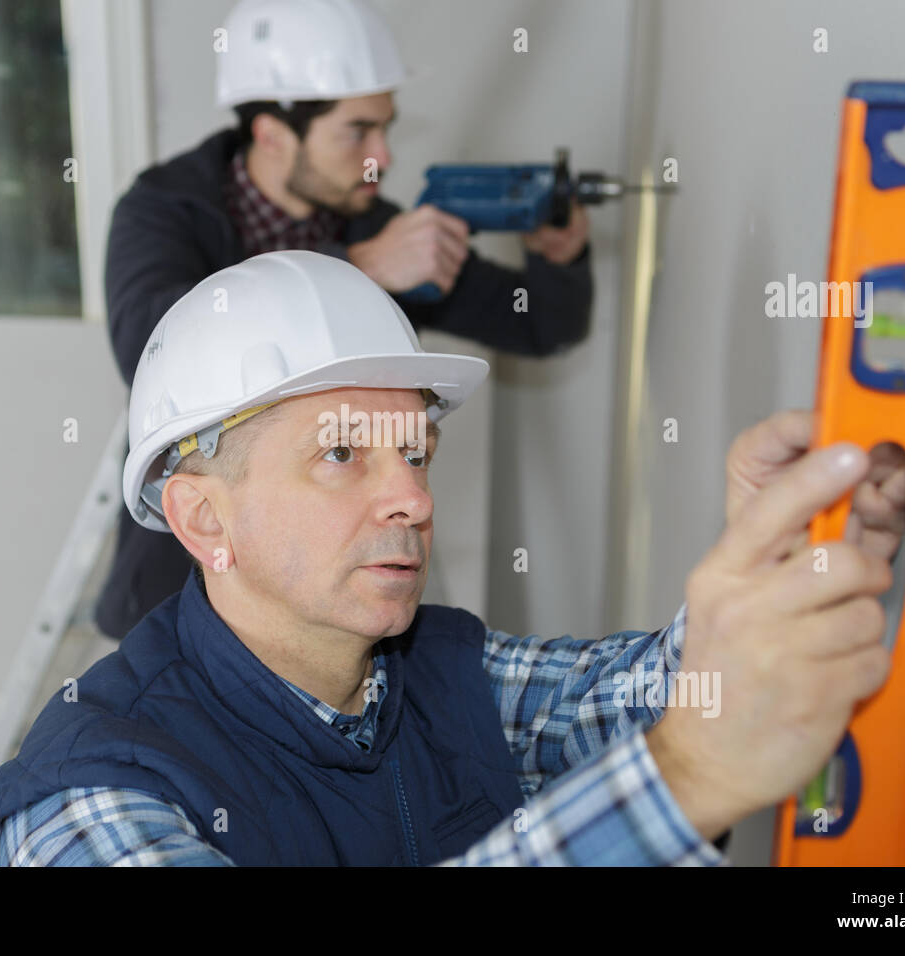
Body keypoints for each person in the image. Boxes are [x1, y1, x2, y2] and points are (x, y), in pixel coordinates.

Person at [0, 251, 905, 866]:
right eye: (341, 453)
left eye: (416, 452)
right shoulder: (94, 794)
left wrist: (783, 556)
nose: (411, 495)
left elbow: (646, 690)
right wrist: (684, 778)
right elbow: (684, 744)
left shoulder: (439, 674)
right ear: (201, 518)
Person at [95, 0, 594, 640]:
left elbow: (538, 325)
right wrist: (358, 267)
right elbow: (145, 345)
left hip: (334, 604)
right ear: (273, 134)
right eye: (357, 132)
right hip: (183, 590)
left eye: (386, 127)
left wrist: (561, 261)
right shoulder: (164, 209)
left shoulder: (376, 223)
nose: (382, 157)